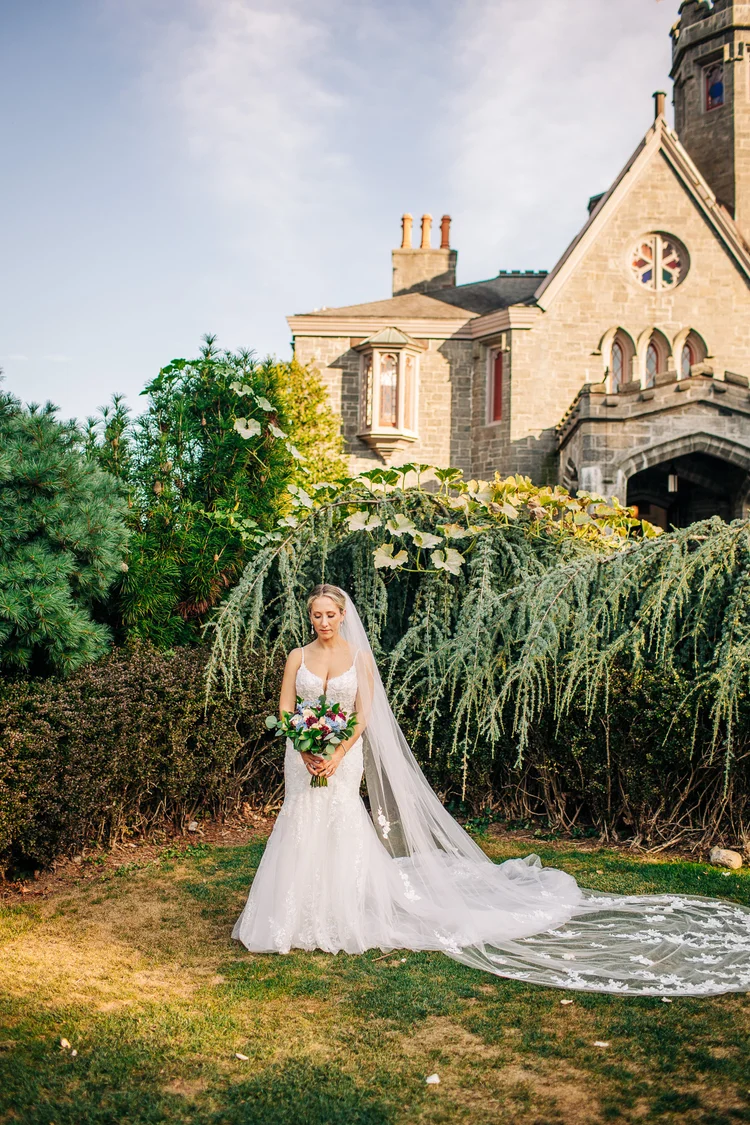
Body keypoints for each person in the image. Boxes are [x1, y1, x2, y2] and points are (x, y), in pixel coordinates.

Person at [232, 584, 750, 995]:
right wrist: (302, 746)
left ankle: (340, 911)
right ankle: (291, 914)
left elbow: (365, 714)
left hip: (343, 753)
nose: (322, 622)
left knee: (342, 820)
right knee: (299, 820)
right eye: (315, 615)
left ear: (342, 615)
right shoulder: (297, 655)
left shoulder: (359, 659)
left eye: (329, 614)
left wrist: (339, 751)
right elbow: (284, 707)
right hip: (301, 756)